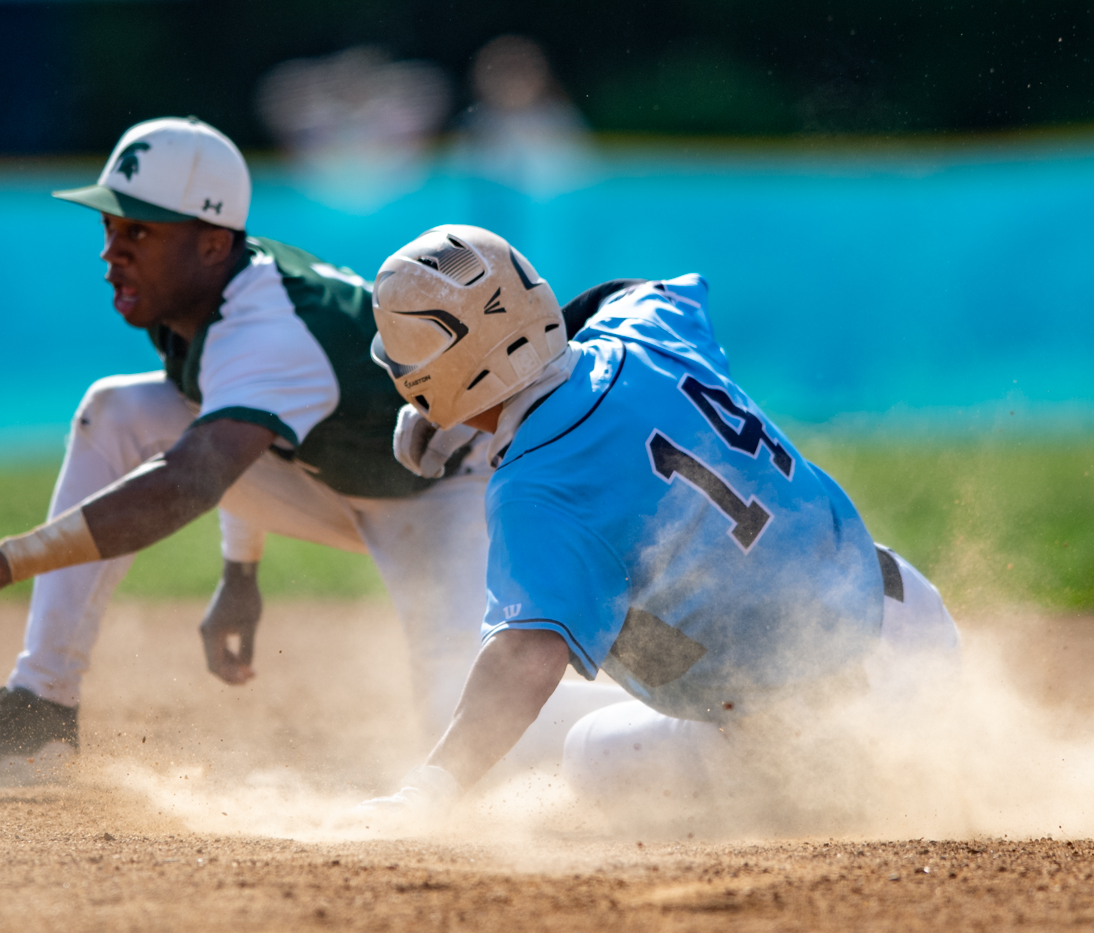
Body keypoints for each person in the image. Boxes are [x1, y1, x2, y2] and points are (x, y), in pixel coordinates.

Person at [0, 120, 623, 788]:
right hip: (330, 472)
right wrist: (240, 570)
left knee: (464, 716)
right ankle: (38, 715)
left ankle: (647, 721)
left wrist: (6, 560)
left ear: (213, 242)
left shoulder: (267, 327)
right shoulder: (203, 302)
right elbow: (237, 428)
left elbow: (195, 476)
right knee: (118, 410)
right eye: (110, 225)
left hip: (440, 489)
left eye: (140, 231)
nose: (112, 250)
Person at [355, 225, 961, 824]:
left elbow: (521, 660)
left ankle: (821, 800)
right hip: (914, 620)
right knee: (644, 630)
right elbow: (632, 288)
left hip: (830, 741)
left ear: (425, 380)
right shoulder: (643, 330)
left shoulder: (536, 488)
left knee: (590, 755)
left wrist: (428, 793)